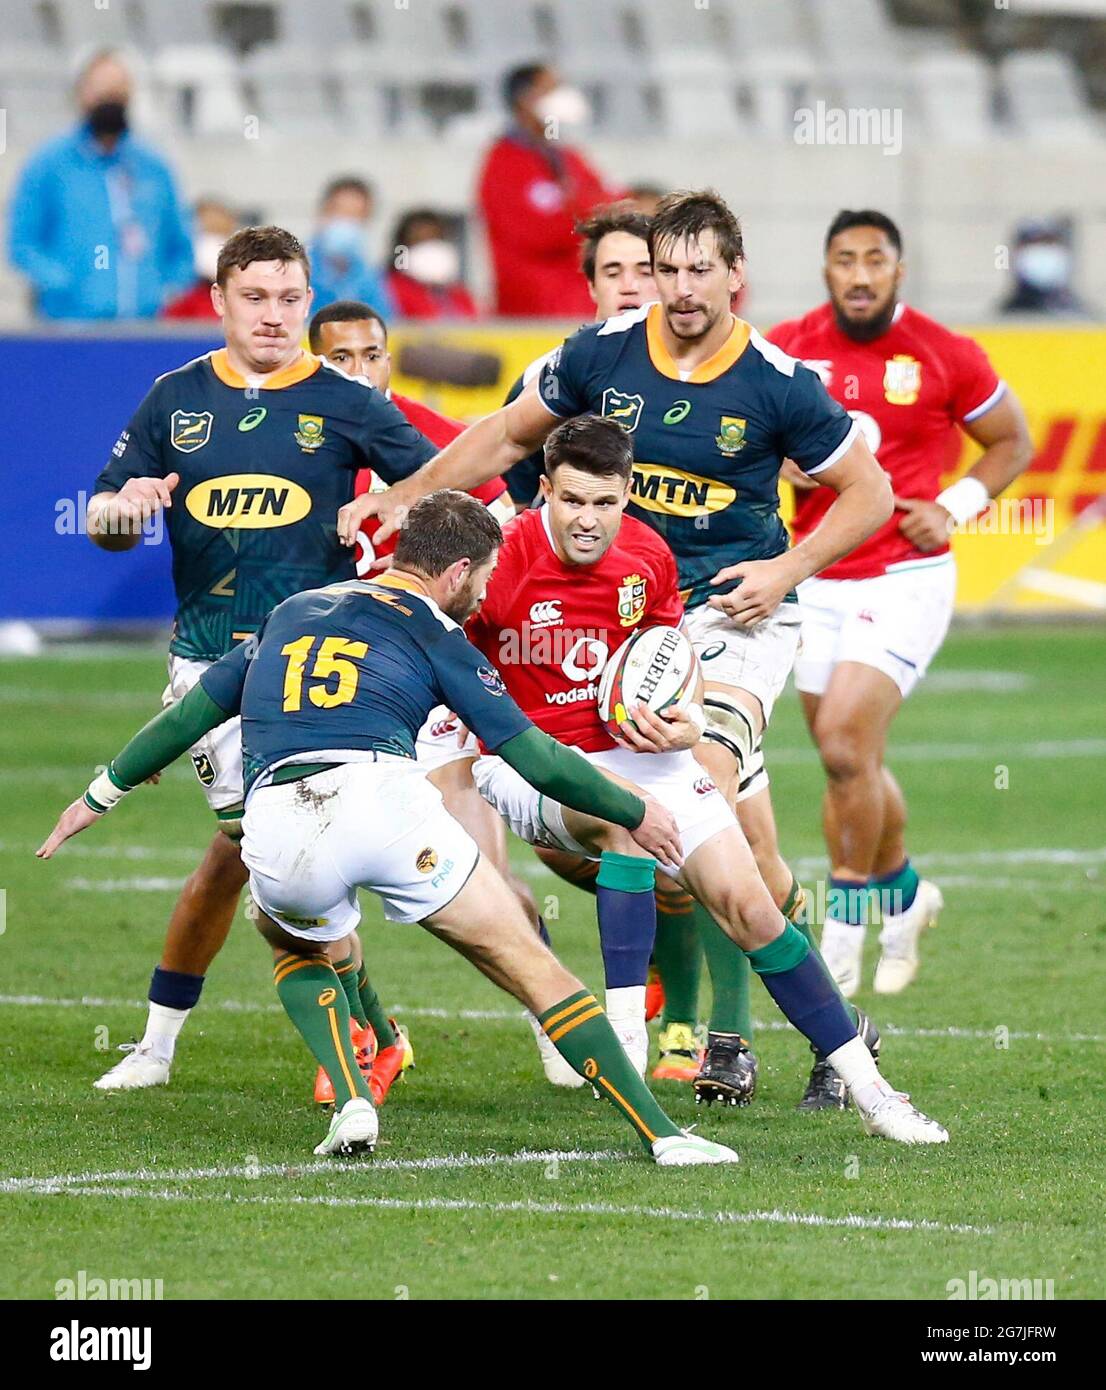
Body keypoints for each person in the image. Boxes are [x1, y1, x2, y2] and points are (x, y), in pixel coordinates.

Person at [336, 190, 889, 1110]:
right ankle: (834, 1029)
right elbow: (509, 430)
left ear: (735, 276)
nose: (677, 288)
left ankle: (706, 1039)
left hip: (727, 617)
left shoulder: (779, 381)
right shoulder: (600, 353)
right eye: (664, 269)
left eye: (696, 270)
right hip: (619, 620)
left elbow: (868, 493)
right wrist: (410, 494)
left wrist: (786, 570)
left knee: (684, 785)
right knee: (736, 846)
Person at [39, 491, 739, 1168]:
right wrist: (634, 808)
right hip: (386, 808)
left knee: (292, 942)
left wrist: (98, 796)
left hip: (281, 817)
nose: (485, 595)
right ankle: (662, 1134)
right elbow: (534, 756)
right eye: (485, 578)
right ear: (457, 571)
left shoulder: (292, 611)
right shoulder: (439, 633)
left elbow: (192, 714)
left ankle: (351, 1097)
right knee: (533, 967)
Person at [465, 416, 947, 1145]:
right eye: (571, 502)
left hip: (642, 754)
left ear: (628, 495)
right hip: (527, 758)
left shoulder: (650, 557)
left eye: (604, 503)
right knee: (628, 818)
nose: (588, 520)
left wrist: (687, 721)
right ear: (544, 493)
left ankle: (875, 1092)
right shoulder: (499, 560)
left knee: (754, 906)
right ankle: (627, 1037)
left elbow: (666, 665)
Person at [84, 225, 439, 1095]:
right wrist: (124, 511)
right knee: (244, 864)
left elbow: (443, 486)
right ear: (220, 302)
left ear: (308, 303)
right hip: (204, 668)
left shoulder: (347, 401)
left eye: (290, 299)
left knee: (281, 875)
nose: (274, 316)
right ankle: (354, 1031)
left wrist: (393, 502)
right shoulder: (176, 399)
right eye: (256, 297)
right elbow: (103, 522)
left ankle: (361, 1044)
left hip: (309, 676)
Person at [769, 209, 1033, 1014]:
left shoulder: (943, 352)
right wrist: (779, 457)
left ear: (897, 270)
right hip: (815, 570)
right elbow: (749, 434)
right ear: (825, 271)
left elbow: (1012, 441)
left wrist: (952, 505)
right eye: (844, 259)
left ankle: (846, 916)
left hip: (906, 576)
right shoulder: (786, 348)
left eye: (874, 259)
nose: (859, 273)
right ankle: (908, 893)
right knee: (851, 759)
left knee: (847, 738)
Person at [7, 49, 193, 320]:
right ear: (82, 94)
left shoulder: (153, 168)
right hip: (69, 328)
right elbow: (22, 243)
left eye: (118, 91)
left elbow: (181, 245)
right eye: (101, 91)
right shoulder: (48, 164)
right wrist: (64, 283)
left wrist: (161, 289)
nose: (110, 101)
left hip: (143, 328)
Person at [477, 64, 623, 317]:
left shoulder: (568, 157)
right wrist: (587, 212)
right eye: (552, 89)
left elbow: (613, 204)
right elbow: (532, 232)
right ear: (526, 100)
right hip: (531, 311)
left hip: (581, 304)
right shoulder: (502, 164)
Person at [308, 176, 393, 316]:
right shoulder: (297, 267)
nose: (346, 222)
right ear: (323, 212)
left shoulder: (369, 275)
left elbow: (386, 320)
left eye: (355, 215)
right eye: (339, 212)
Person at [385, 209, 478, 320]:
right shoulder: (390, 291)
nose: (429, 249)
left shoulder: (459, 293)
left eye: (434, 239)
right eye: (420, 241)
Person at [162, 198, 241, 321]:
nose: (212, 245)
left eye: (218, 235)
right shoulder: (178, 300)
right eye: (206, 233)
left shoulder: (239, 301)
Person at [998, 218, 1093, 318]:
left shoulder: (1086, 321)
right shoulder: (1000, 320)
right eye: (1034, 244)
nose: (1042, 254)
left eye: (1049, 243)